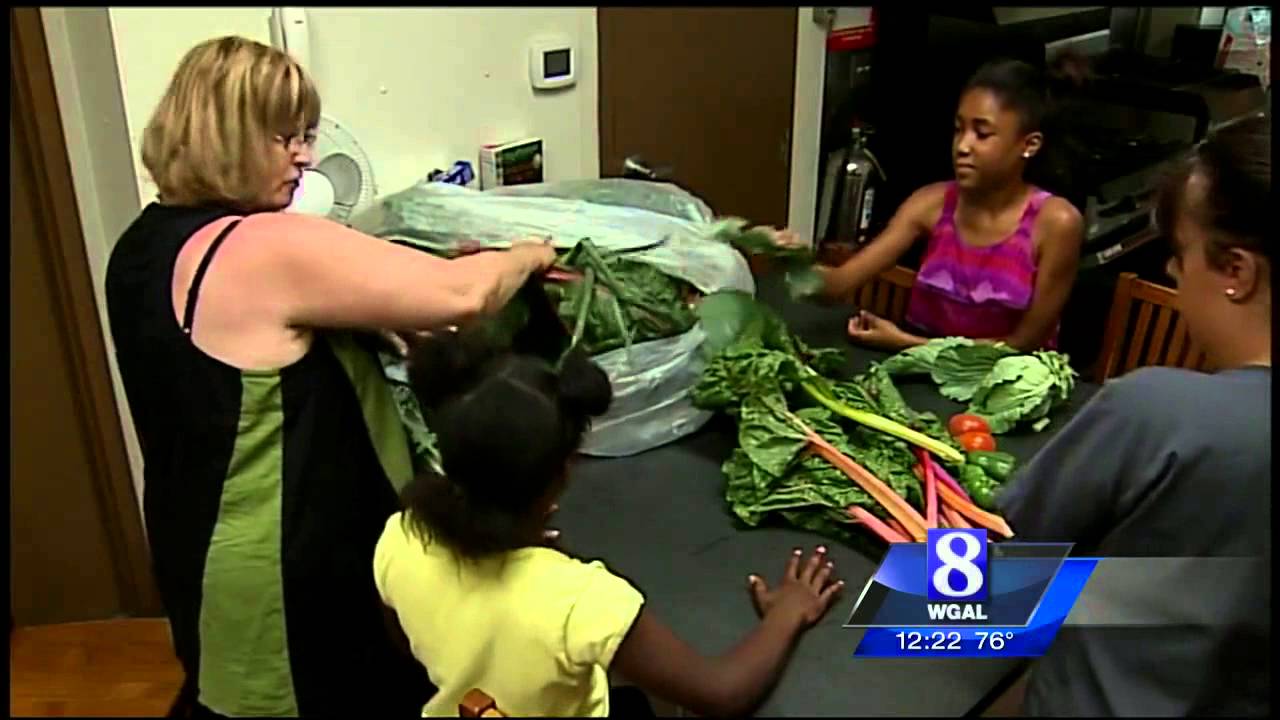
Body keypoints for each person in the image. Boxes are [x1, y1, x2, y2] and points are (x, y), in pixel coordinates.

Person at [103, 36, 556, 718]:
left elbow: (233, 372)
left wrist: (365, 326)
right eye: (285, 137)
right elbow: (465, 295)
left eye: (306, 135)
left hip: (196, 541)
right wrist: (524, 253)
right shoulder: (260, 246)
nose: (306, 157)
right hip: (287, 567)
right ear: (226, 133)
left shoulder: (142, 247)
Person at [374, 330, 845, 717]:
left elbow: (405, 640)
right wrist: (789, 611)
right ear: (563, 472)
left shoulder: (400, 534)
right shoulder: (581, 604)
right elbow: (722, 693)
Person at [995, 114, 1271, 716]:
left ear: (1236, 272)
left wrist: (870, 596)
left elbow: (998, 575)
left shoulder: (1153, 411)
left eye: (1179, 251)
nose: (1172, 271)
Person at [810, 58, 1085, 352]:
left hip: (1007, 388)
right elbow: (838, 285)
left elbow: (1022, 345)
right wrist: (787, 258)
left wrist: (907, 344)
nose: (963, 146)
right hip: (924, 380)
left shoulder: (1056, 223)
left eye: (982, 134)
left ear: (1029, 145)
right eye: (958, 129)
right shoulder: (931, 202)